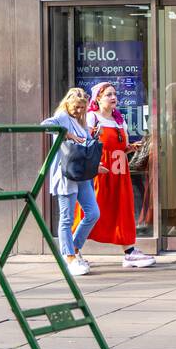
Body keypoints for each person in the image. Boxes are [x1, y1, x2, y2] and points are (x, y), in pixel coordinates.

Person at [83, 82, 155, 268]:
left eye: (114, 94)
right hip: (101, 171)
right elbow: (85, 144)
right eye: (108, 94)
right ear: (98, 98)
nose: (113, 97)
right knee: (92, 209)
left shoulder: (118, 120)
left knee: (123, 208)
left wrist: (131, 148)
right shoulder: (92, 118)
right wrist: (94, 165)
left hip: (119, 170)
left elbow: (121, 146)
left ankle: (129, 251)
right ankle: (74, 251)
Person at [43, 88, 100, 278]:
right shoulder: (62, 116)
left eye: (82, 108)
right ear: (68, 103)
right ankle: (69, 257)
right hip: (66, 174)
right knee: (66, 217)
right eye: (76, 107)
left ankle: (74, 248)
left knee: (93, 213)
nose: (79, 110)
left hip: (82, 173)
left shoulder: (80, 121)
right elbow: (44, 125)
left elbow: (86, 144)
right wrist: (66, 134)